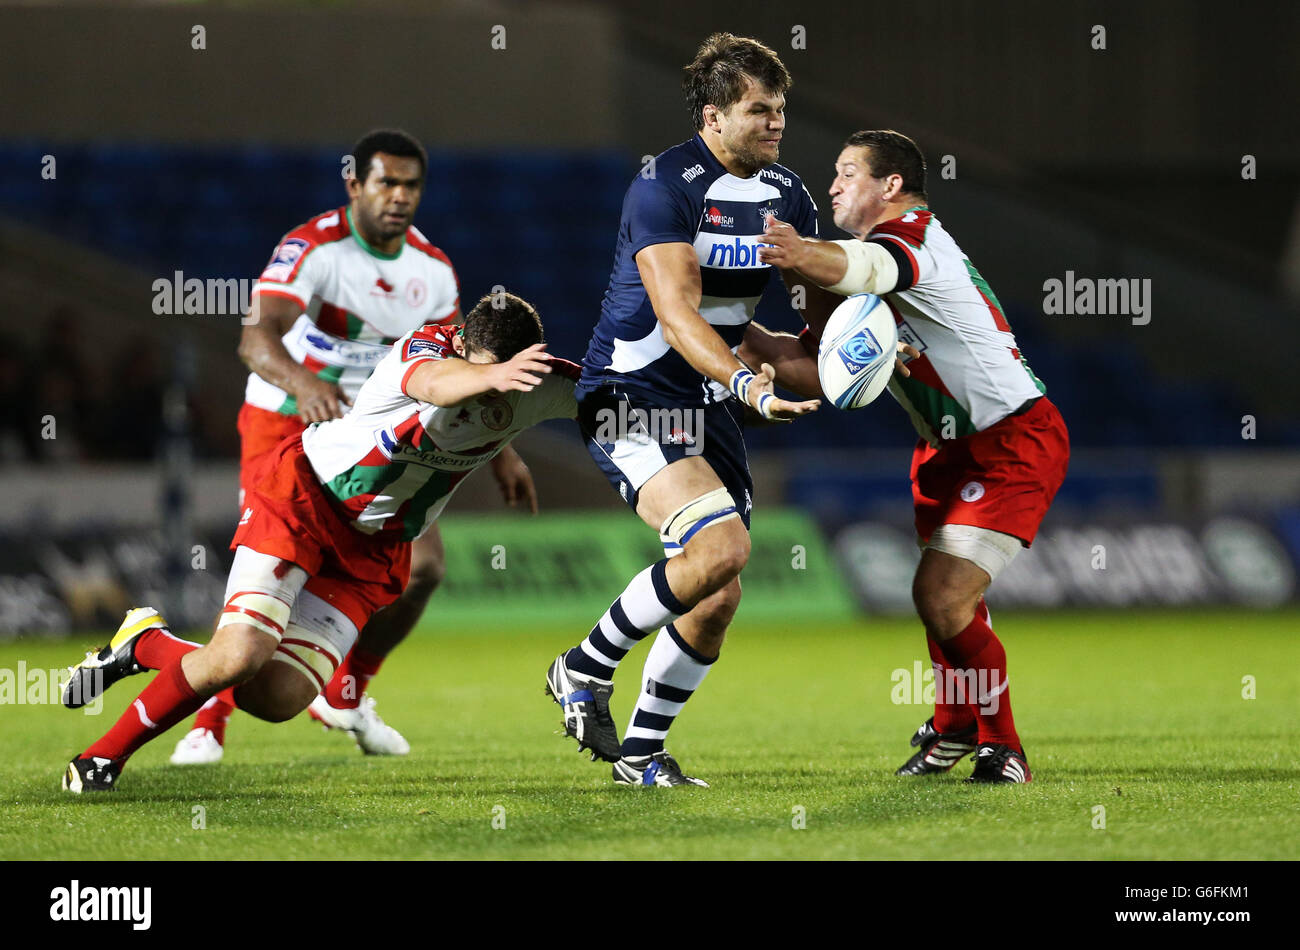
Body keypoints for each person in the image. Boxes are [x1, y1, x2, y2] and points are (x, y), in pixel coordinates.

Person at [61, 293, 576, 792]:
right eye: (491, 376)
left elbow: (617, 400)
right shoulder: (422, 351)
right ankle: (100, 759)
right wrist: (492, 376)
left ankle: (146, 643)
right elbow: (439, 386)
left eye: (511, 383)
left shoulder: (534, 381)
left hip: (373, 548)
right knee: (239, 656)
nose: (499, 397)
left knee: (275, 698)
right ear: (462, 344)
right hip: (304, 500)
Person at [168, 129, 538, 765]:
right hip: (286, 420)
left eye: (411, 185)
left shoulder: (433, 269)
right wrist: (306, 384)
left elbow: (465, 367)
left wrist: (502, 451)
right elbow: (256, 340)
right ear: (355, 186)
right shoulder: (313, 249)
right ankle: (210, 720)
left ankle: (346, 693)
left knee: (423, 570)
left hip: (372, 430)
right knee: (270, 572)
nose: (399, 196)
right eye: (385, 183)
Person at [543, 33, 830, 788]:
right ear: (712, 115)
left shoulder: (789, 197)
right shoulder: (663, 188)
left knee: (717, 593)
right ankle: (582, 667)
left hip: (708, 403)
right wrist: (748, 383)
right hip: (629, 395)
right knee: (721, 551)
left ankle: (640, 756)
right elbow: (678, 315)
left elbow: (805, 328)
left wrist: (857, 361)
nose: (776, 124)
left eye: (782, 111)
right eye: (759, 110)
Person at [750, 130, 1070, 783]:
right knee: (945, 606)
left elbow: (869, 269)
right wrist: (722, 328)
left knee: (941, 595)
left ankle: (1003, 747)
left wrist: (799, 251)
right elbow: (814, 372)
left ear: (890, 186)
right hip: (945, 449)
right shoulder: (859, 265)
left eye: (847, 173)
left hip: (1009, 440)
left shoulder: (915, 239)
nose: (834, 184)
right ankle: (953, 728)